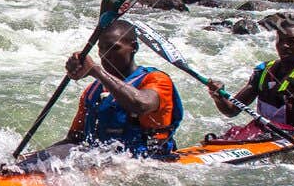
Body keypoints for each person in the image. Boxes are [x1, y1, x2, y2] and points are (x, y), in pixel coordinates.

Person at [12, 20, 184, 170]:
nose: (106, 55)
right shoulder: (92, 91)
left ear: (134, 47)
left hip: (149, 163)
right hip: (104, 163)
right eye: (102, 49)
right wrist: (33, 160)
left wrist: (96, 71)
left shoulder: (157, 80)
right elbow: (74, 140)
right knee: (27, 165)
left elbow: (141, 104)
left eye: (114, 48)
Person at [207, 17, 294, 167]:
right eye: (281, 41)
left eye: (292, 41)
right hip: (264, 133)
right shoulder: (264, 71)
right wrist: (218, 96)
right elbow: (231, 111)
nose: (285, 46)